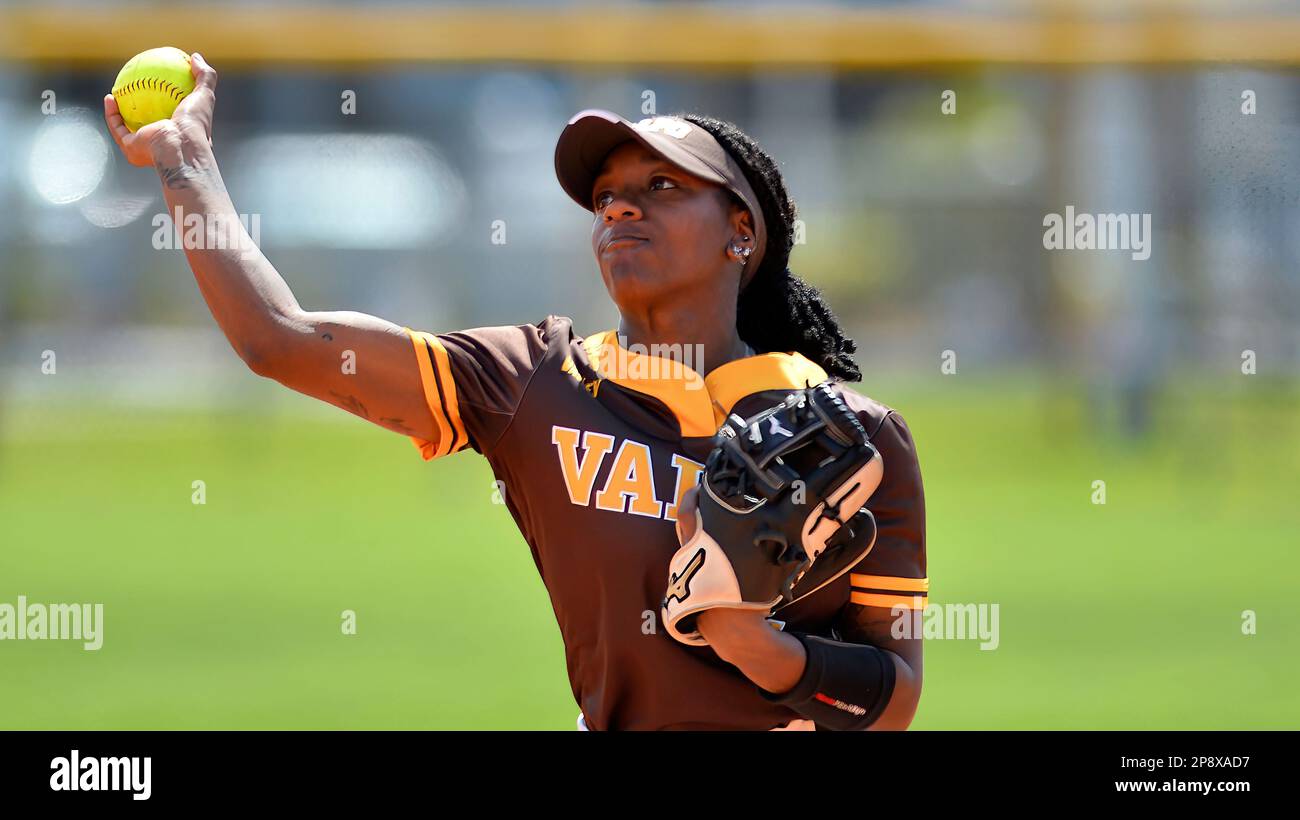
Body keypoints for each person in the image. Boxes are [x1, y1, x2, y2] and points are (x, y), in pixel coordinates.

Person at [103, 54, 927, 731]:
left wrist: (754, 644)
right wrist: (185, 162)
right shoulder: (533, 379)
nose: (620, 210)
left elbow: (895, 697)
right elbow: (278, 339)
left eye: (661, 187)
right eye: (605, 197)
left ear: (741, 231)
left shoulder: (853, 438)